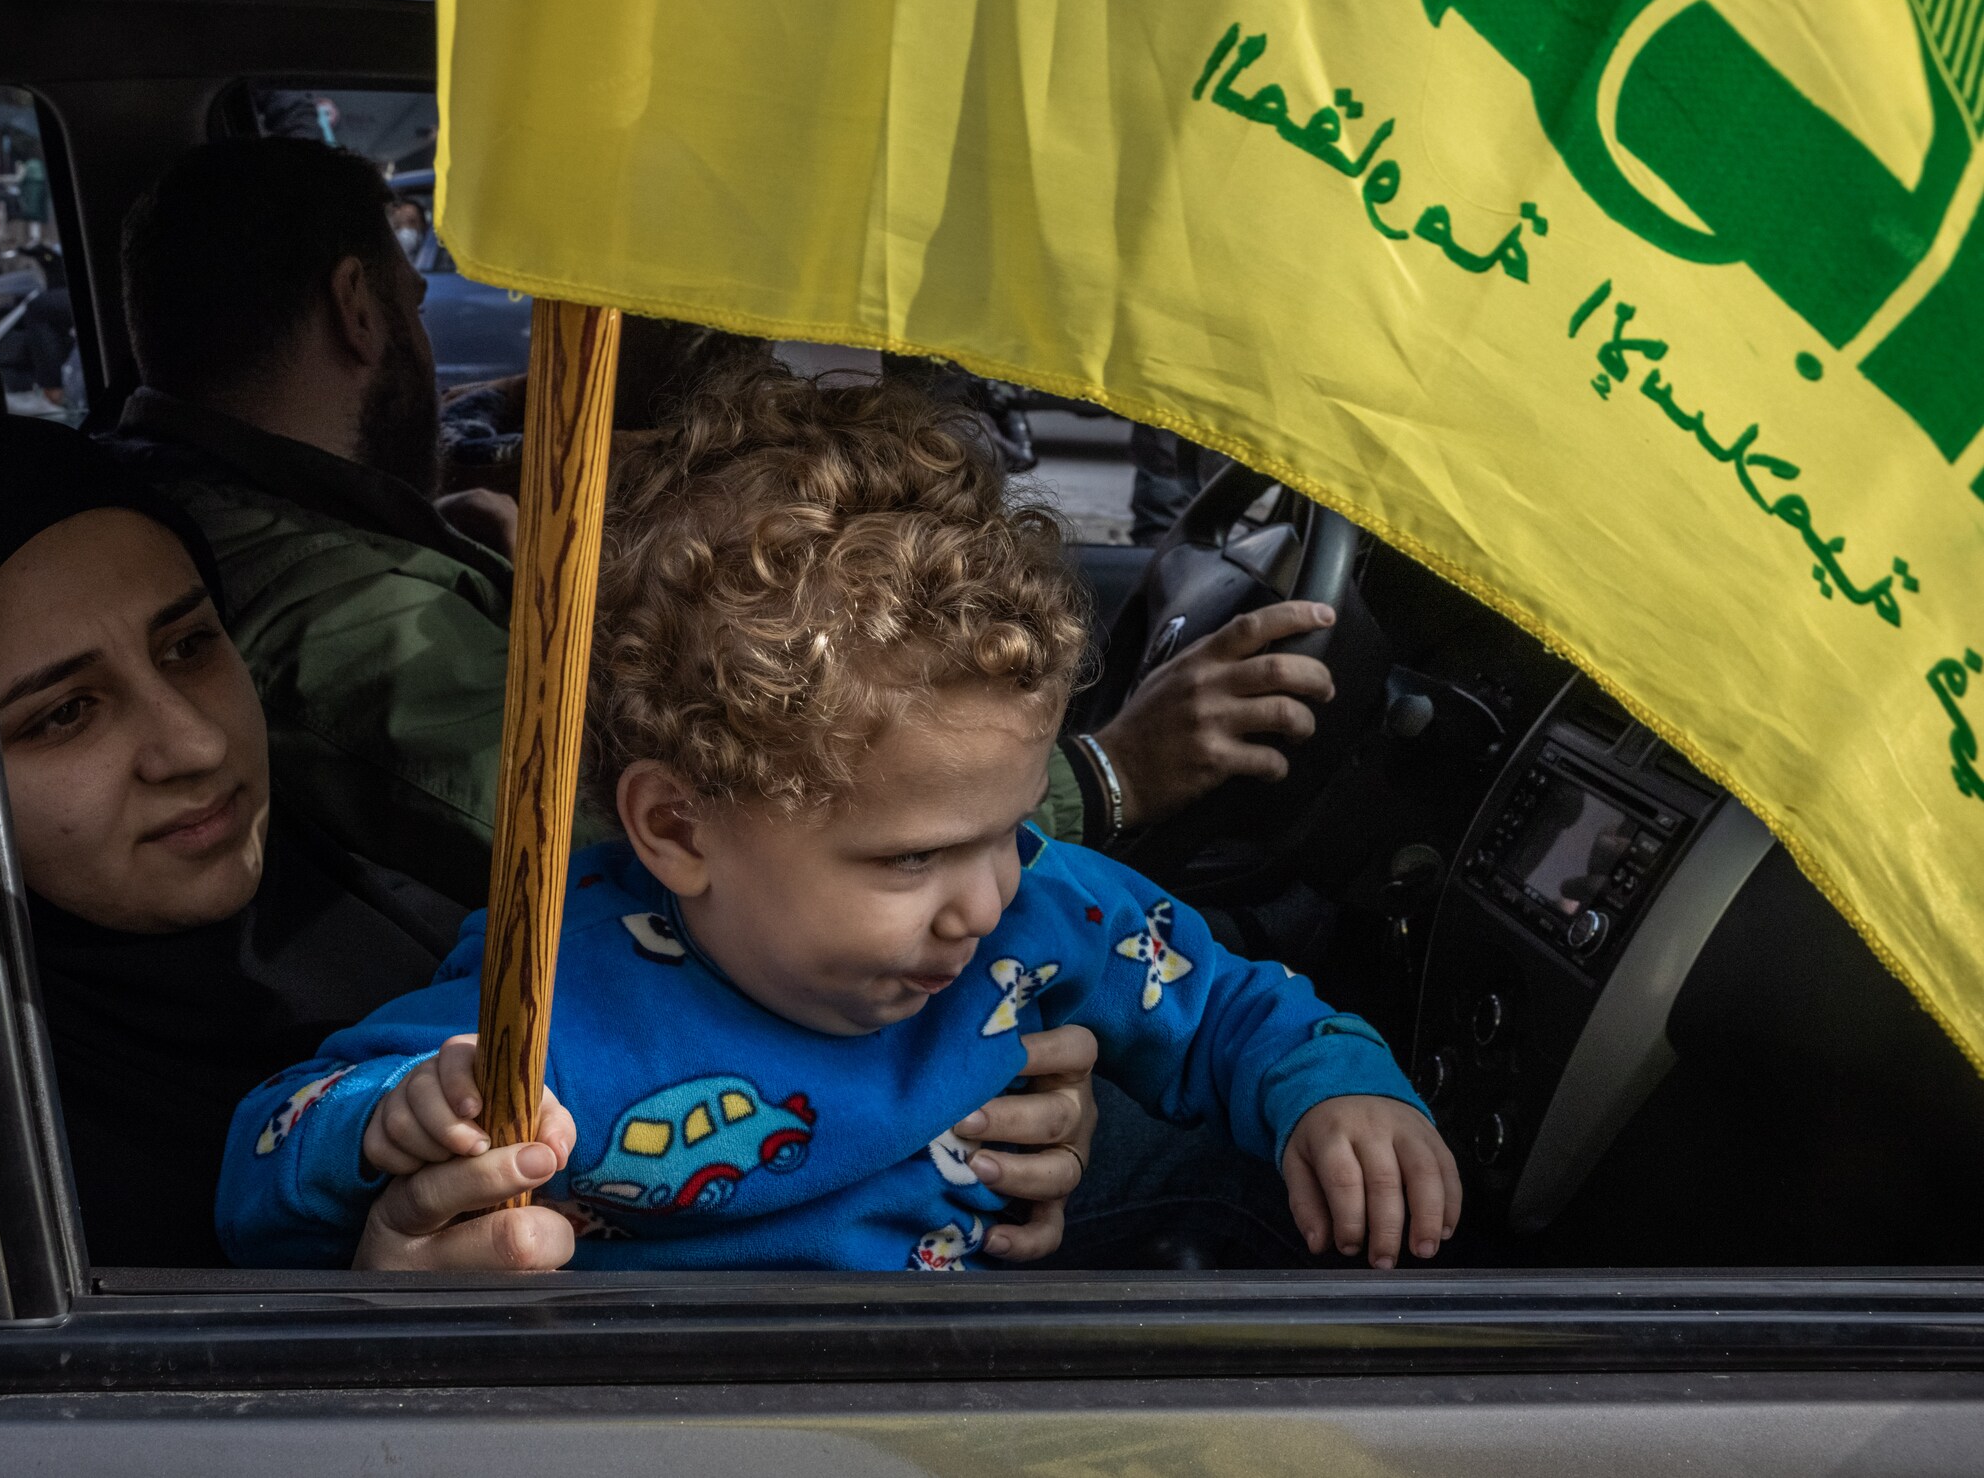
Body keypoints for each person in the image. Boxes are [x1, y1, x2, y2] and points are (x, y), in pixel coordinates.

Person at [216, 371, 1456, 1272]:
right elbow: (264, 1163)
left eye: (1005, 827)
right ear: (677, 829)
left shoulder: (1044, 910)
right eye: (911, 857)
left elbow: (1227, 1006)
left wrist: (1338, 1093)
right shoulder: (551, 1003)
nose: (986, 898)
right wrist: (390, 1119)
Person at [0, 415, 1097, 1268]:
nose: (195, 741)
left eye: (188, 646)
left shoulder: (351, 872)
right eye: (63, 715)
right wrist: (370, 1324)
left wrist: (987, 1120)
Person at [110, 139, 1337, 909]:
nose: (434, 356)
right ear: (358, 310)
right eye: (414, 308)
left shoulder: (235, 519)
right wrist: (1104, 775)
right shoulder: (337, 609)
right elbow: (612, 840)